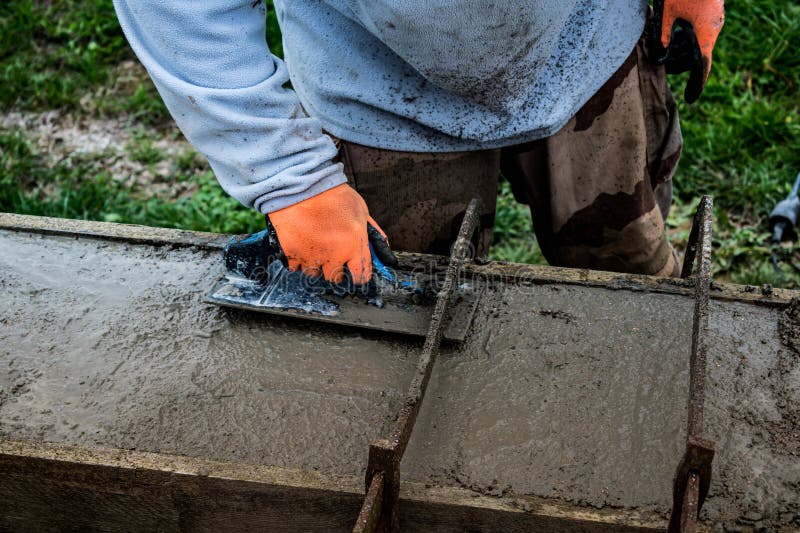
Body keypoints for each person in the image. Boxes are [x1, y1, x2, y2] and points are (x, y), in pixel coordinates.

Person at [113, 1, 723, 283]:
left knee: (636, 284)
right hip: (375, 86)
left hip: (588, 45)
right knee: (403, 334)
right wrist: (294, 181)